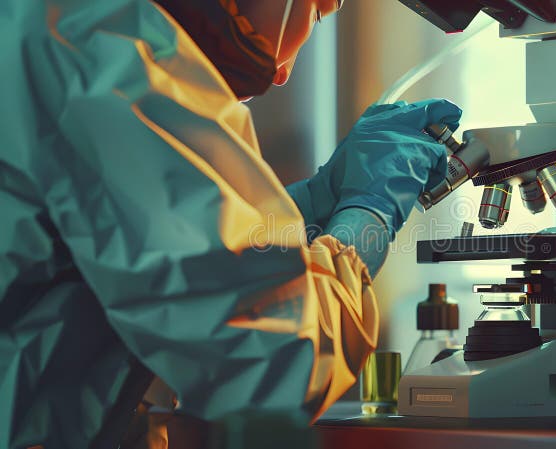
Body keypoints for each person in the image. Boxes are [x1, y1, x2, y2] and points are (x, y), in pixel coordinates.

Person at [0, 0, 462, 447]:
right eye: (316, 13)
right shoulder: (104, 40)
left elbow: (124, 248)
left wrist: (315, 204)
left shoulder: (54, 22)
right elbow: (275, 363)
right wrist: (368, 213)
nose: (282, 74)